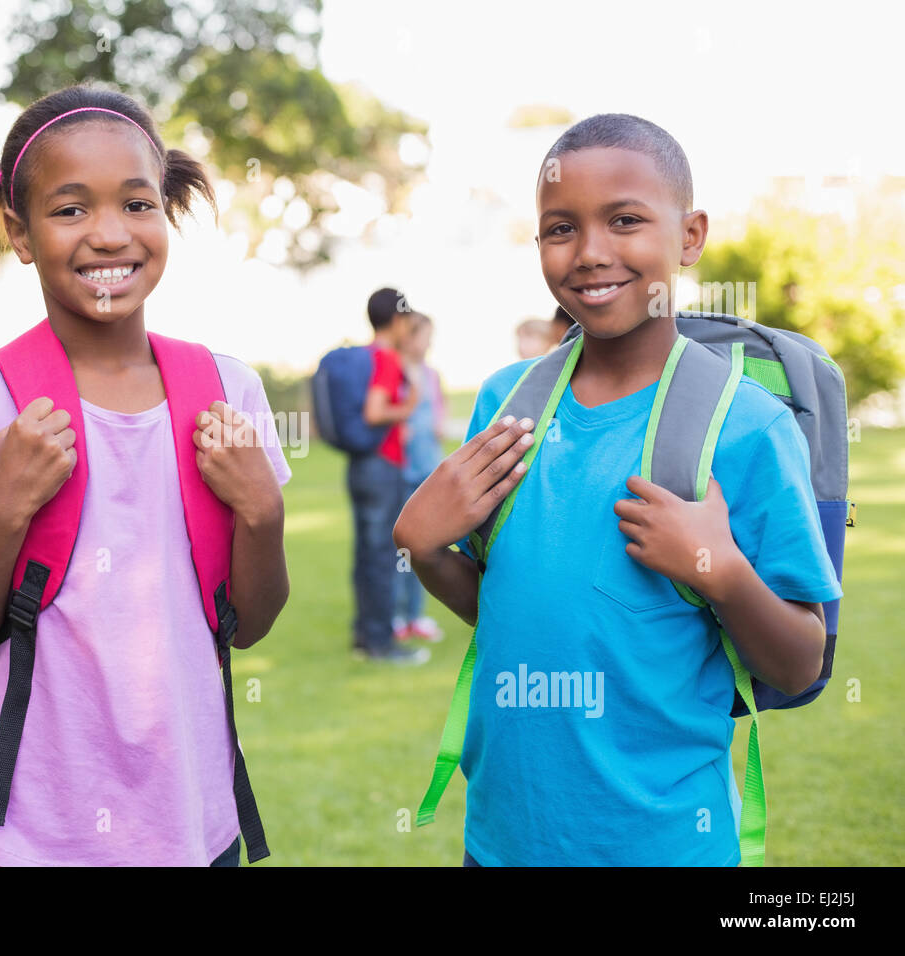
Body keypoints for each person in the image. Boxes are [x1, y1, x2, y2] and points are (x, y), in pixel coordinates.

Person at [394, 114, 840, 865]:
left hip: (665, 844)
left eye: (625, 221)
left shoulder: (748, 427)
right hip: (504, 839)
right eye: (560, 227)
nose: (591, 252)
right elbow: (513, 610)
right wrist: (424, 547)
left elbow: (799, 664)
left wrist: (721, 573)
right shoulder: (507, 405)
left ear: (690, 235)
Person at [0, 85, 292, 867]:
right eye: (71, 209)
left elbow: (249, 626)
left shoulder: (227, 390)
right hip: (29, 835)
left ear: (166, 214)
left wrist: (263, 515)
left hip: (192, 822)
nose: (109, 235)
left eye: (137, 205)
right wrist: (6, 508)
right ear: (20, 234)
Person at [350, 288, 428, 665]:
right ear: (397, 321)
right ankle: (382, 644)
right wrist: (409, 405)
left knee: (367, 553)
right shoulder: (385, 358)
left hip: (363, 466)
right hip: (384, 466)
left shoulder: (366, 356)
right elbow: (375, 411)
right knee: (383, 555)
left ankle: (365, 635)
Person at [392, 311, 444, 643]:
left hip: (428, 468)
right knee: (397, 551)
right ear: (409, 337)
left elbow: (438, 410)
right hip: (400, 469)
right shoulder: (395, 371)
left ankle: (416, 615)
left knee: (423, 547)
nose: (429, 342)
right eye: (425, 335)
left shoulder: (432, 374)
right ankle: (395, 616)